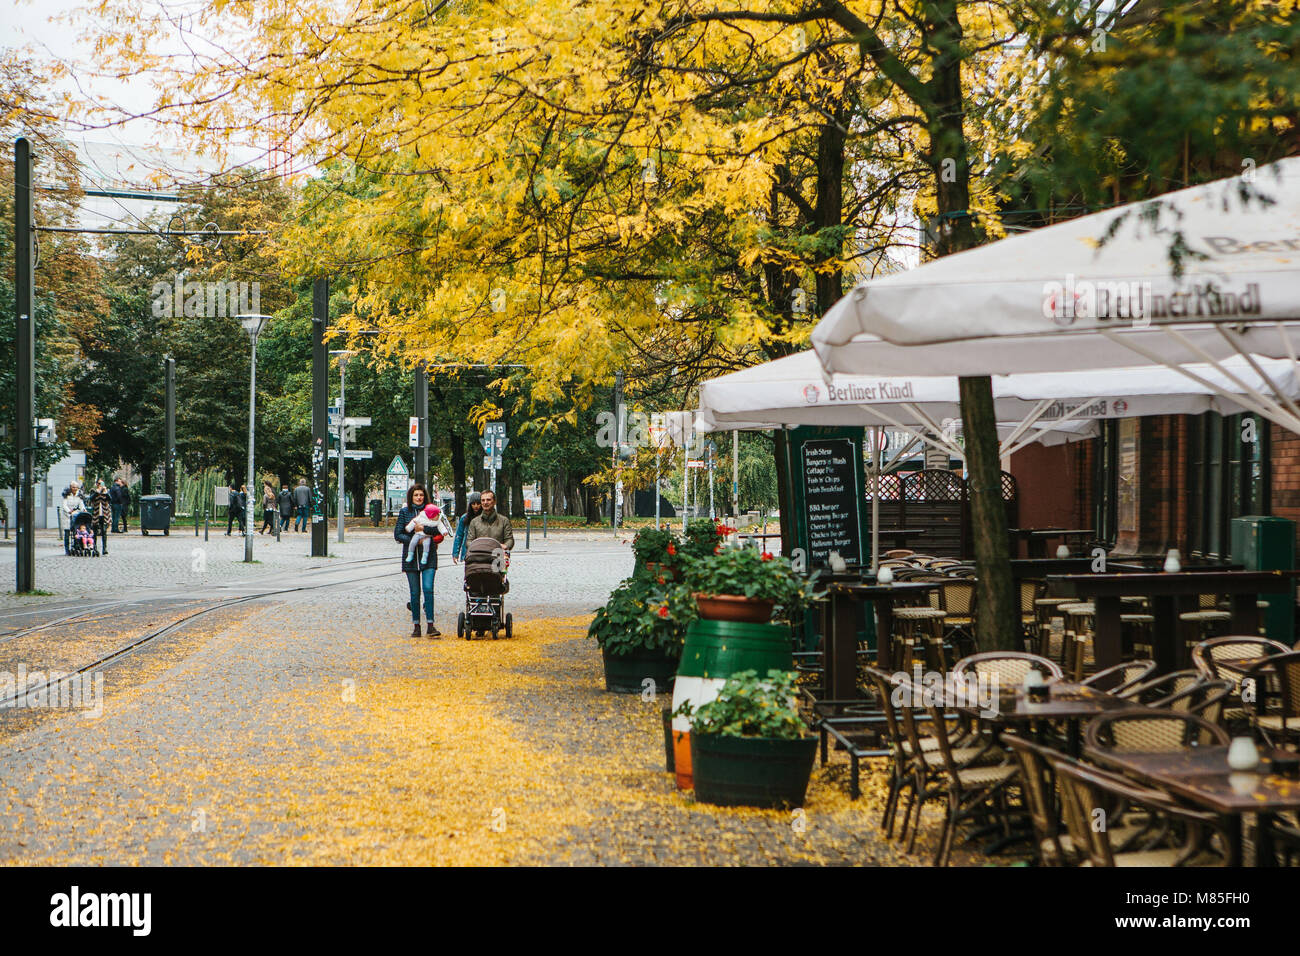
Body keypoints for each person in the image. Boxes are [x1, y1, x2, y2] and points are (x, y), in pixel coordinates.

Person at [395, 483, 440, 638]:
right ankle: (416, 625)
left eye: (421, 495)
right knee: (415, 592)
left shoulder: (432, 511)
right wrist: (413, 539)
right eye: (416, 495)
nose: (419, 498)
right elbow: (398, 534)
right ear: (411, 497)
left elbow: (438, 529)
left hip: (429, 557)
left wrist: (424, 531)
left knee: (428, 589)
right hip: (411, 558)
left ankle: (431, 625)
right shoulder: (404, 512)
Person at [451, 491, 483, 564]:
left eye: (478, 503)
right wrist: (455, 554)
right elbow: (459, 536)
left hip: (482, 551)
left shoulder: (485, 517)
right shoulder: (464, 518)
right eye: (473, 504)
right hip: (467, 553)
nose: (476, 506)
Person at [87, 479, 112, 554]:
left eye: (101, 483)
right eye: (99, 483)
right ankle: (95, 547)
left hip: (104, 514)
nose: (100, 485)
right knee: (95, 531)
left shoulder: (106, 491)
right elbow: (91, 499)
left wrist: (106, 493)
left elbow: (110, 499)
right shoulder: (93, 491)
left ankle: (104, 548)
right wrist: (97, 492)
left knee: (104, 531)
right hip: (96, 514)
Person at [62, 483, 84, 555]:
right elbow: (64, 505)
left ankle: (76, 546)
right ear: (71, 488)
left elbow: (81, 504)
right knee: (67, 533)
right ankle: (67, 549)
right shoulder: (67, 495)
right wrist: (69, 511)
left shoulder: (79, 496)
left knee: (76, 532)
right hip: (67, 516)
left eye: (76, 487)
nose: (75, 489)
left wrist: (83, 509)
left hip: (76, 515)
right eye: (73, 487)